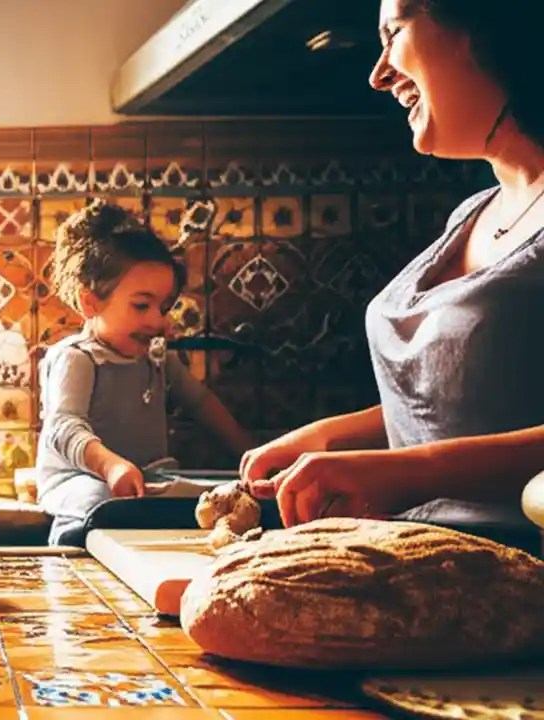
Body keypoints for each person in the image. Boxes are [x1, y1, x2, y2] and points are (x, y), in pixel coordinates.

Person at [241, 0, 544, 531]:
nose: (379, 75)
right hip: (420, 565)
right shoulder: (473, 213)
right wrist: (337, 438)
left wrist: (409, 472)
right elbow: (474, 405)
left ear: (478, 26)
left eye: (393, 33)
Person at [35, 202, 254, 546]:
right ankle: (70, 547)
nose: (158, 320)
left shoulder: (155, 356)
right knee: (100, 501)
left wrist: (251, 456)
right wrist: (110, 467)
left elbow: (199, 402)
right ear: (90, 302)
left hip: (149, 477)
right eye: (141, 305)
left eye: (164, 307)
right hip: (80, 480)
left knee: (208, 496)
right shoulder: (77, 358)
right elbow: (64, 429)